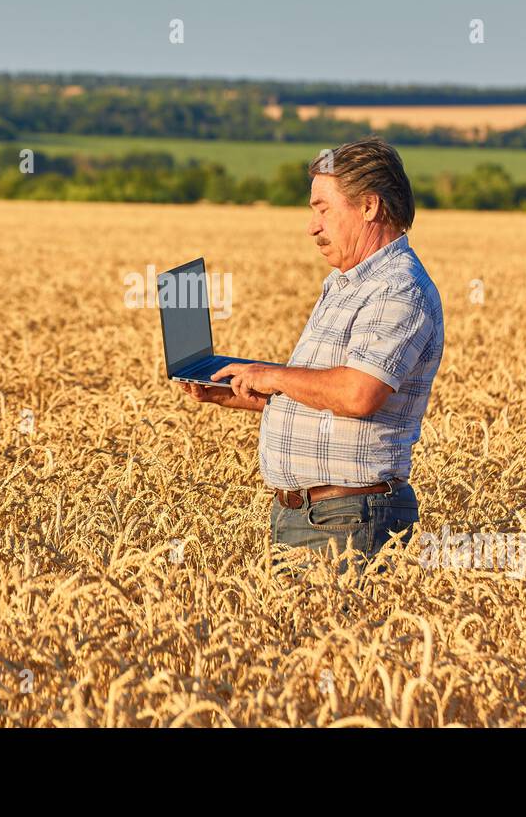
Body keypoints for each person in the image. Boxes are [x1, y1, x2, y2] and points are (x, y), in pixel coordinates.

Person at [179, 136, 444, 573]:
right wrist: (240, 392)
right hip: (310, 517)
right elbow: (324, 396)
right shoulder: (346, 285)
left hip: (349, 521)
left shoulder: (397, 288)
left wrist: (273, 375)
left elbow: (358, 394)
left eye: (323, 208)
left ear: (369, 207)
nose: (312, 226)